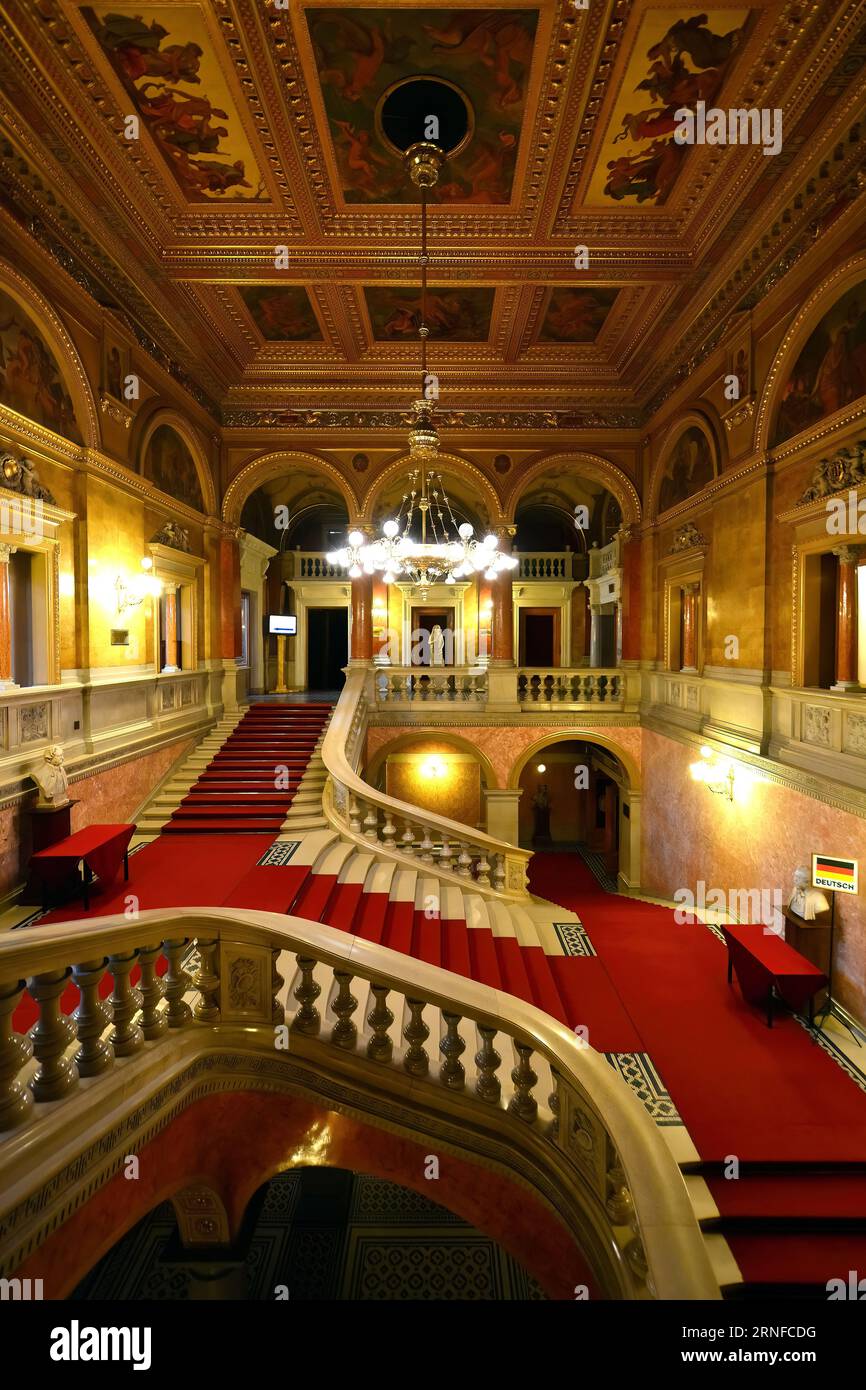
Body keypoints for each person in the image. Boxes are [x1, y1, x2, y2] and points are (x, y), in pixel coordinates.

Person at [31, 745, 69, 809]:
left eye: (62, 755)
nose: (62, 758)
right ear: (49, 758)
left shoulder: (61, 769)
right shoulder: (40, 774)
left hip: (61, 802)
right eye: (59, 756)